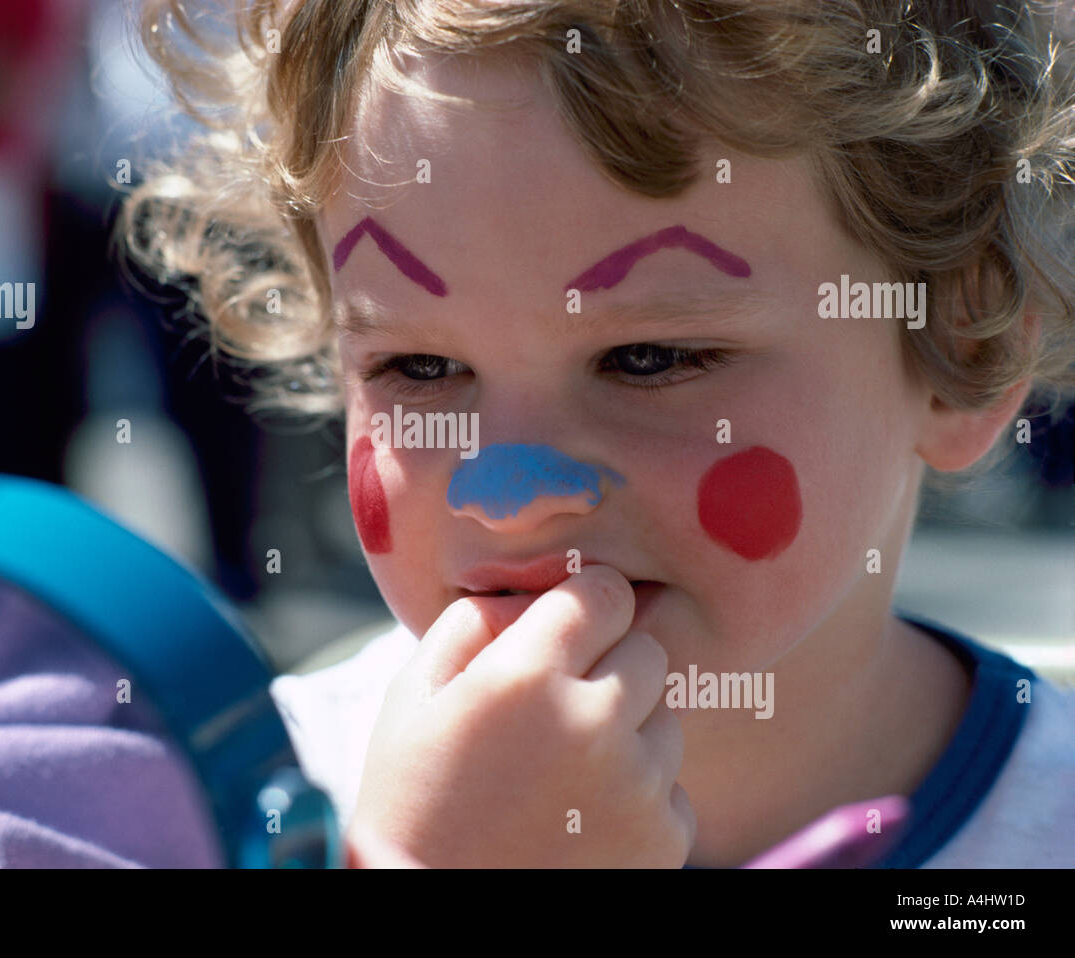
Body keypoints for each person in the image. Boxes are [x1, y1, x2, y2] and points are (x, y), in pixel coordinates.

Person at [121, 0, 1075, 868]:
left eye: (650, 357)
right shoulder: (215, 815)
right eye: (419, 368)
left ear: (963, 351)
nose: (513, 485)